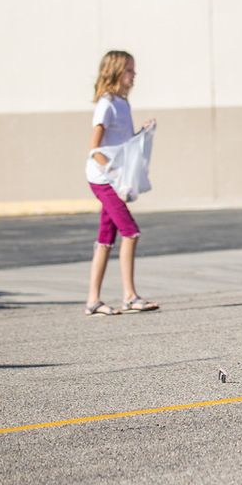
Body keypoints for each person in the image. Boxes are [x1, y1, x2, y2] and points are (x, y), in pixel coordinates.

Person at [84, 50, 158, 315]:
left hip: (112, 179)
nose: (134, 75)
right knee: (130, 231)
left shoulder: (123, 104)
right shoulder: (106, 105)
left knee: (106, 237)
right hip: (102, 179)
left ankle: (93, 301)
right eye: (129, 70)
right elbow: (95, 148)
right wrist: (115, 175)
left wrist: (143, 134)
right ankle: (129, 295)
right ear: (116, 72)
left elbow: (123, 146)